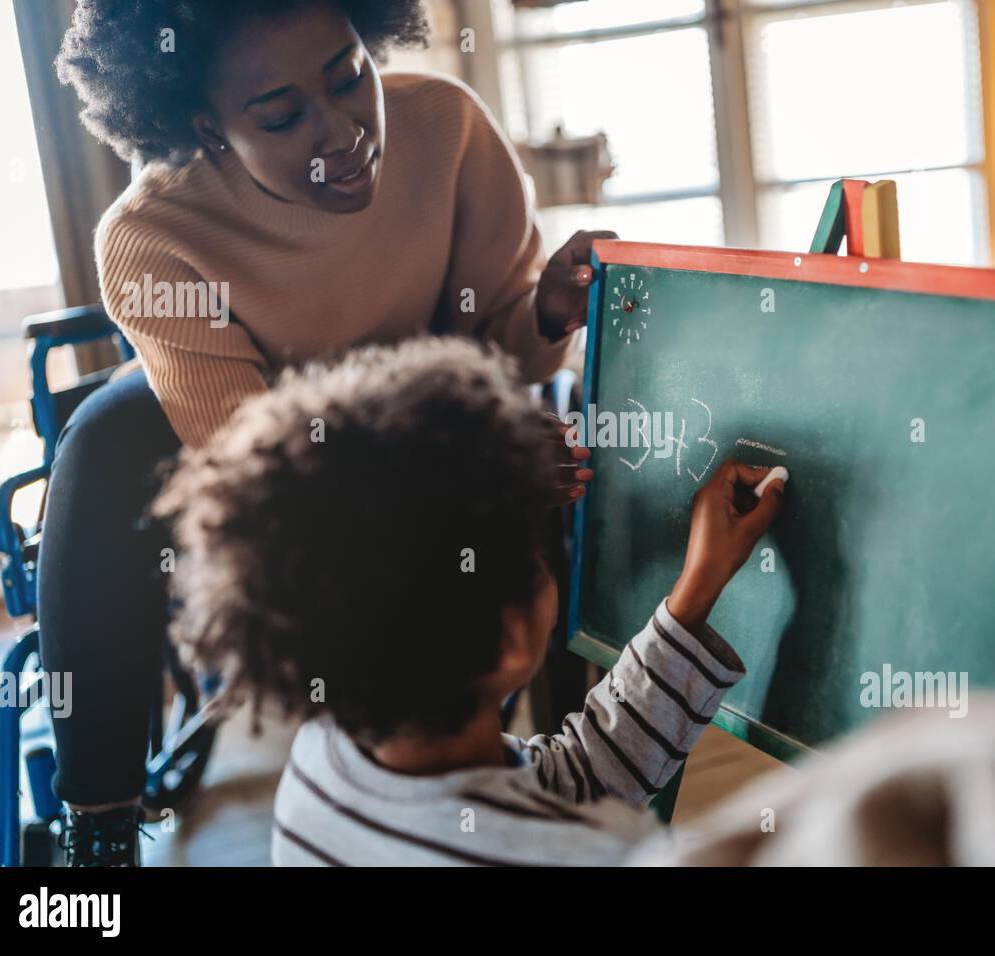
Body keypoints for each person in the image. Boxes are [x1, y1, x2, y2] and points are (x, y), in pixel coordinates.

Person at [43, 0, 604, 864]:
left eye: (349, 76)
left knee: (542, 430)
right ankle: (101, 822)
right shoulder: (149, 237)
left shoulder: (448, 129)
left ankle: (566, 762)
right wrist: (467, 458)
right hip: (286, 439)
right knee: (101, 437)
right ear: (206, 125)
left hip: (432, 399)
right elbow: (259, 463)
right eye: (281, 114)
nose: (343, 132)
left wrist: (548, 310)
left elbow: (505, 343)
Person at [153, 338, 786, 865]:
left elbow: (572, 782)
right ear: (513, 637)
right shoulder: (601, 855)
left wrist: (694, 592)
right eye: (530, 547)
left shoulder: (328, 758)